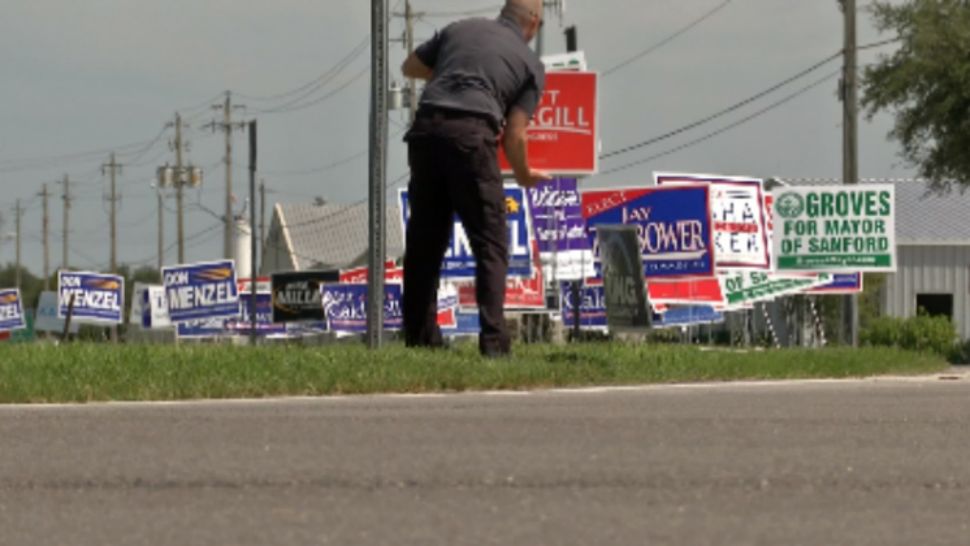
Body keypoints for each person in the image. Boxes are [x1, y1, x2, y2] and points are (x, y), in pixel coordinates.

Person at [400, 0, 550, 358]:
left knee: (425, 242)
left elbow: (410, 66)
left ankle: (420, 340)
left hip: (425, 131)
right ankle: (494, 343)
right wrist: (526, 175)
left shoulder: (459, 29)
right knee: (490, 242)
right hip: (471, 137)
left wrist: (451, 72)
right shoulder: (530, 65)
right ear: (532, 23)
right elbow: (514, 134)